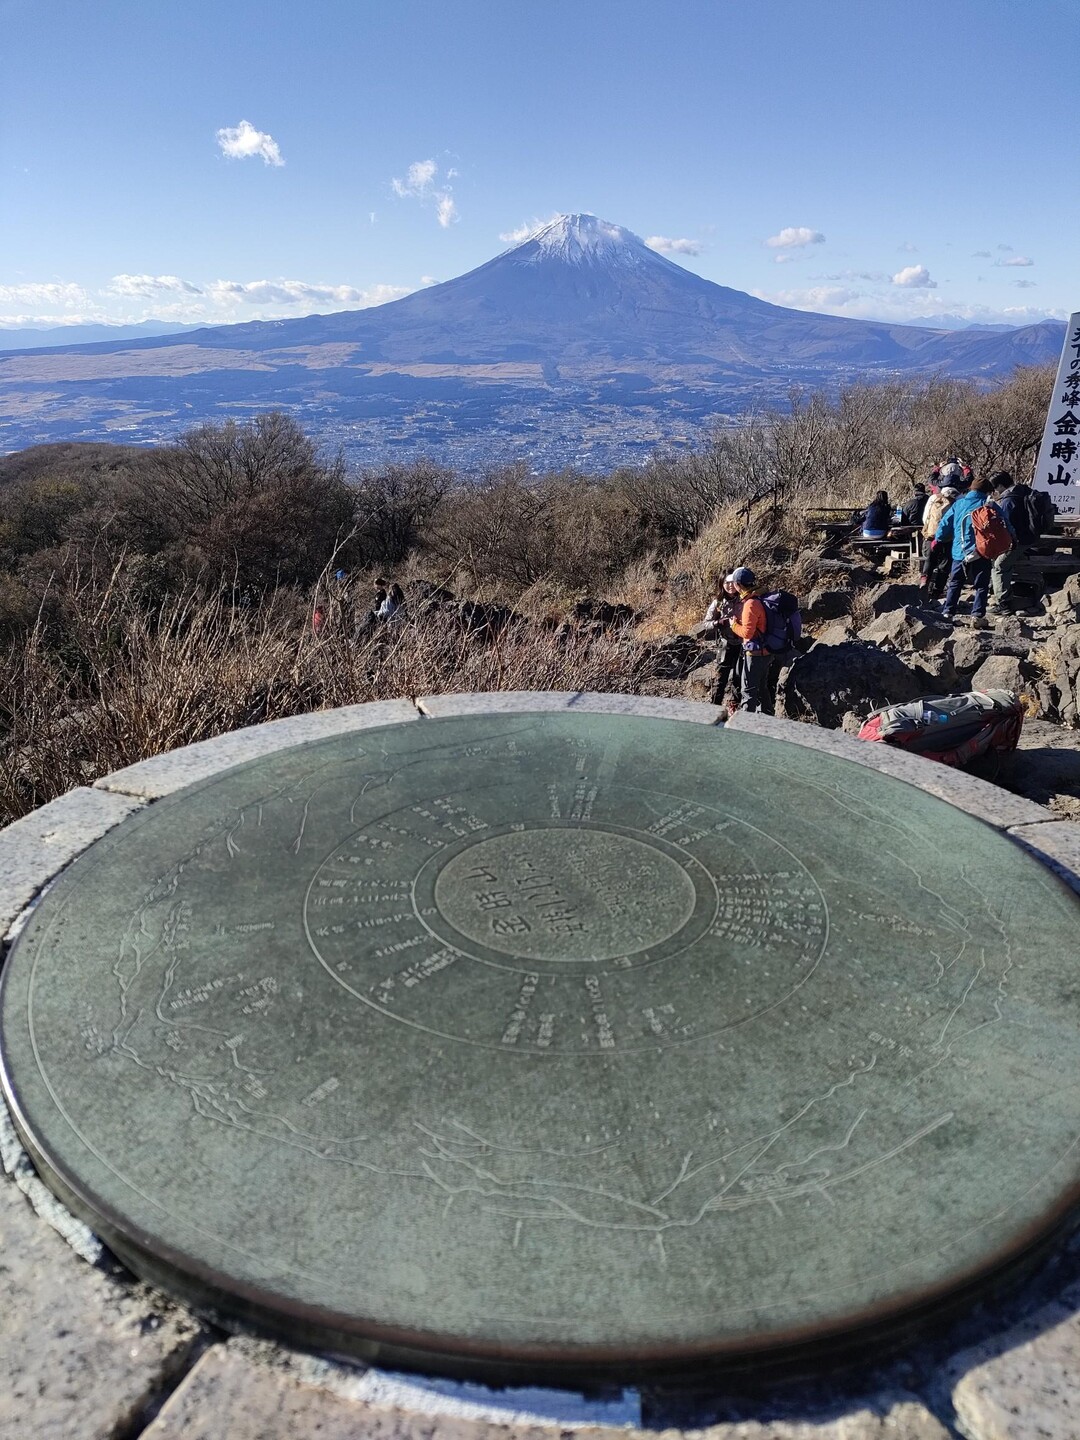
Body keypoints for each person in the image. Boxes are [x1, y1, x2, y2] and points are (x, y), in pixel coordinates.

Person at [935, 476, 1014, 625]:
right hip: (983, 550)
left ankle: (948, 612)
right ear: (987, 491)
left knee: (955, 582)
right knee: (981, 585)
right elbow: (1006, 524)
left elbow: (944, 525)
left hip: (960, 550)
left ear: (971, 489)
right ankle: (977, 615)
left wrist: (939, 539)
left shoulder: (959, 504)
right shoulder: (990, 505)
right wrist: (1012, 538)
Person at [989, 471, 1042, 612]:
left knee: (999, 565)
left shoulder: (1008, 500)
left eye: (995, 488)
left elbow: (1005, 525)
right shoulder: (1024, 491)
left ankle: (1003, 603)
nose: (995, 492)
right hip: (1031, 538)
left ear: (1000, 485)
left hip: (1018, 541)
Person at [728, 566, 772, 712]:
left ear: (738, 585)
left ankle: (746, 724)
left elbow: (747, 632)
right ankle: (768, 718)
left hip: (755, 653)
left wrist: (733, 625)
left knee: (748, 690)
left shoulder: (751, 603)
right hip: (767, 650)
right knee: (762, 687)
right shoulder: (762, 595)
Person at [701, 576, 742, 706]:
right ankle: (714, 707)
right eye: (726, 582)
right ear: (721, 584)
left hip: (743, 644)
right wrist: (718, 623)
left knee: (739, 677)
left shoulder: (745, 599)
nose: (730, 586)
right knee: (720, 678)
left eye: (732, 582)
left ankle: (734, 707)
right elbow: (705, 624)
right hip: (725, 645)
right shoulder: (718, 602)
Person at [919, 484, 959, 597]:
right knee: (944, 565)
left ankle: (923, 585)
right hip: (947, 538)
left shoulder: (933, 499)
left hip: (930, 536)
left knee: (929, 561)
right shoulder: (955, 504)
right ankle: (937, 591)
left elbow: (925, 517)